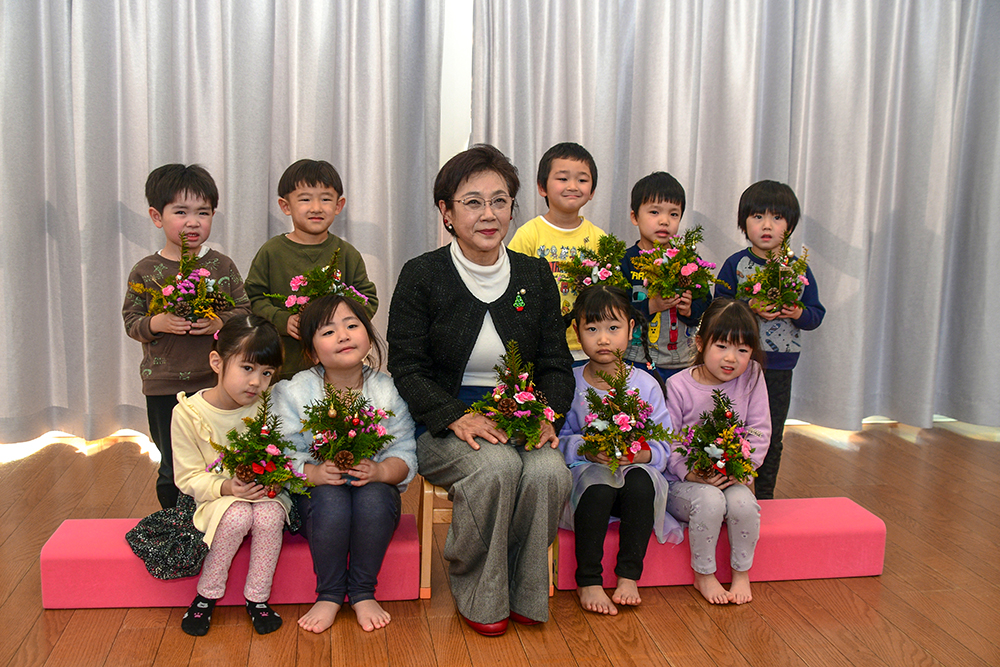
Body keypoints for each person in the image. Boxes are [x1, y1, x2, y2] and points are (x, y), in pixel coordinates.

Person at [387, 144, 574, 636]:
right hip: (443, 422)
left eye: (499, 200)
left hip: (520, 416)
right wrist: (454, 415)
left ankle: (525, 592)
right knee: (495, 467)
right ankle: (479, 592)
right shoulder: (422, 275)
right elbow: (406, 367)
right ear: (446, 212)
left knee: (550, 473)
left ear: (513, 206)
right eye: (472, 202)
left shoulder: (535, 276)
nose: (488, 214)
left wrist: (547, 414)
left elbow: (555, 362)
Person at [271, 295, 416, 634]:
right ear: (310, 351)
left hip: (374, 495)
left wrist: (381, 471)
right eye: (328, 331)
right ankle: (331, 592)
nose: (343, 335)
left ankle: (363, 590)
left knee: (374, 497)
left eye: (352, 325)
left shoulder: (388, 390)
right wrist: (312, 473)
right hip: (317, 498)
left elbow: (406, 453)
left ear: (368, 335)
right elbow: (282, 453)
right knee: (332, 500)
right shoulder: (292, 392)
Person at [123, 164, 251, 509]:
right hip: (164, 385)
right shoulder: (146, 271)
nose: (193, 222)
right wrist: (159, 322)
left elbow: (244, 311)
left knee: (219, 461)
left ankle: (220, 520)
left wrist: (217, 323)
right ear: (156, 216)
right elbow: (131, 321)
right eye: (181, 212)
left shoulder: (221, 266)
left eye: (203, 213)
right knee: (172, 465)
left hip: (215, 385)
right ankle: (175, 525)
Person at [558, 285, 683, 616]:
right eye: (592, 328)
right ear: (577, 331)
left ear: (631, 329)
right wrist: (585, 448)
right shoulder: (570, 383)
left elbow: (664, 441)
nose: (603, 339)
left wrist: (642, 454)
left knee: (640, 482)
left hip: (634, 468)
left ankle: (629, 576)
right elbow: (558, 438)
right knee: (598, 487)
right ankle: (588, 579)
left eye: (613, 328)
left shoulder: (645, 384)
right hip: (587, 472)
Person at [171, 314, 288, 636]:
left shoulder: (269, 404)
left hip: (265, 492)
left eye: (266, 373)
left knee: (267, 517)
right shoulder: (188, 413)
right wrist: (225, 487)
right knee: (236, 516)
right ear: (217, 362)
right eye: (247, 368)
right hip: (215, 498)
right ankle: (206, 595)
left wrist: (274, 480)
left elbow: (286, 453)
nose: (256, 382)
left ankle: (258, 598)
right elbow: (188, 476)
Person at [715, 181, 825, 499]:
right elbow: (717, 309)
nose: (766, 225)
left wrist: (796, 311)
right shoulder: (736, 265)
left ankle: (763, 495)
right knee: (730, 429)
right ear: (743, 222)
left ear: (789, 225)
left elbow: (816, 314)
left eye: (777, 217)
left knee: (771, 433)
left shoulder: (797, 268)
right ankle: (727, 489)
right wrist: (749, 307)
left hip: (779, 367)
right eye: (757, 216)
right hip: (736, 365)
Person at [664, 298, 771, 605]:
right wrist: (693, 472)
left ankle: (741, 572)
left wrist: (742, 468)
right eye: (722, 346)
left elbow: (760, 429)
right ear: (700, 343)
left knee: (743, 505)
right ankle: (704, 574)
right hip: (685, 482)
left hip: (732, 477)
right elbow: (668, 442)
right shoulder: (678, 385)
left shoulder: (752, 376)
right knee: (710, 501)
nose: (731, 358)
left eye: (742, 349)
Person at [245, 159, 378, 381]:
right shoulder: (272, 252)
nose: (316, 208)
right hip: (284, 367)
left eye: (326, 199)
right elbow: (252, 298)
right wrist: (282, 320)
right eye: (305, 199)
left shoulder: (346, 253)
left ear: (338, 205)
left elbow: (368, 299)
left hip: (338, 370)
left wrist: (341, 322)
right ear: (285, 206)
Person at [508, 142, 606, 362]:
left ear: (591, 191)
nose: (572, 186)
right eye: (562, 179)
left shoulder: (598, 238)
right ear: (542, 187)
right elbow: (511, 287)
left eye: (582, 180)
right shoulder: (529, 234)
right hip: (539, 346)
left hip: (586, 348)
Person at [621, 172, 711, 381]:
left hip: (682, 361)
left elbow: (706, 304)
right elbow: (616, 309)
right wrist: (651, 306)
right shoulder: (625, 261)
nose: (664, 221)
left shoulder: (688, 262)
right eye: (654, 212)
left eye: (673, 214)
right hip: (636, 360)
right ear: (635, 217)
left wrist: (690, 309)